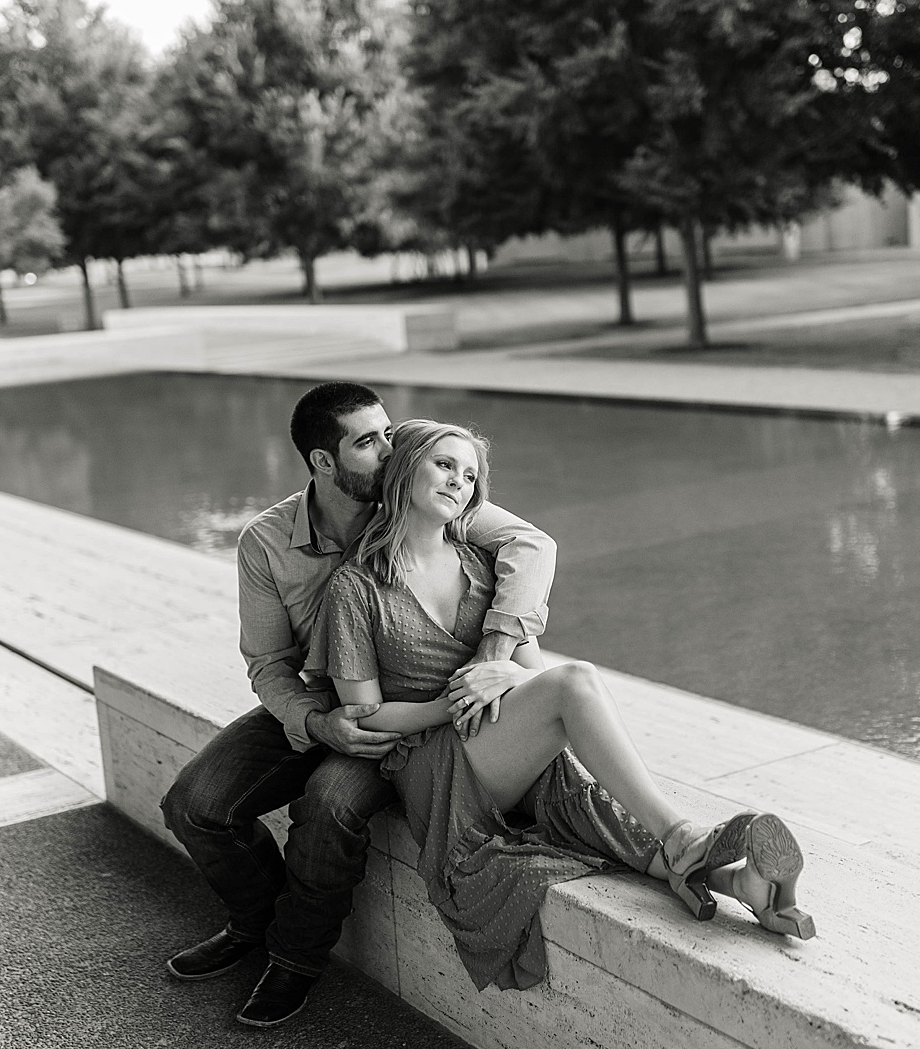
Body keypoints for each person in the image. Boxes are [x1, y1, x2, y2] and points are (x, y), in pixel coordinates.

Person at [312, 418, 815, 993]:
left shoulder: (480, 565)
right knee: (577, 683)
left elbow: (529, 673)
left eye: (470, 474)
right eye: (445, 465)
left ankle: (739, 886)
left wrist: (501, 672)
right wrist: (450, 705)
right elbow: (365, 713)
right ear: (404, 469)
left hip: (500, 744)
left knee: (590, 803)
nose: (459, 482)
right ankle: (680, 834)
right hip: (436, 761)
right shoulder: (357, 588)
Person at [161, 383, 558, 1028]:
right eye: (368, 441)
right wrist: (319, 723)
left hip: (407, 713)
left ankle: (294, 959)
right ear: (323, 462)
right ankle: (253, 924)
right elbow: (266, 665)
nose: (391, 447)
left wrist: (494, 654)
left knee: (329, 804)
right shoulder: (266, 543)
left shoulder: (421, 495)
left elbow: (532, 546)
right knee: (196, 806)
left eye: (389, 430)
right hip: (317, 706)